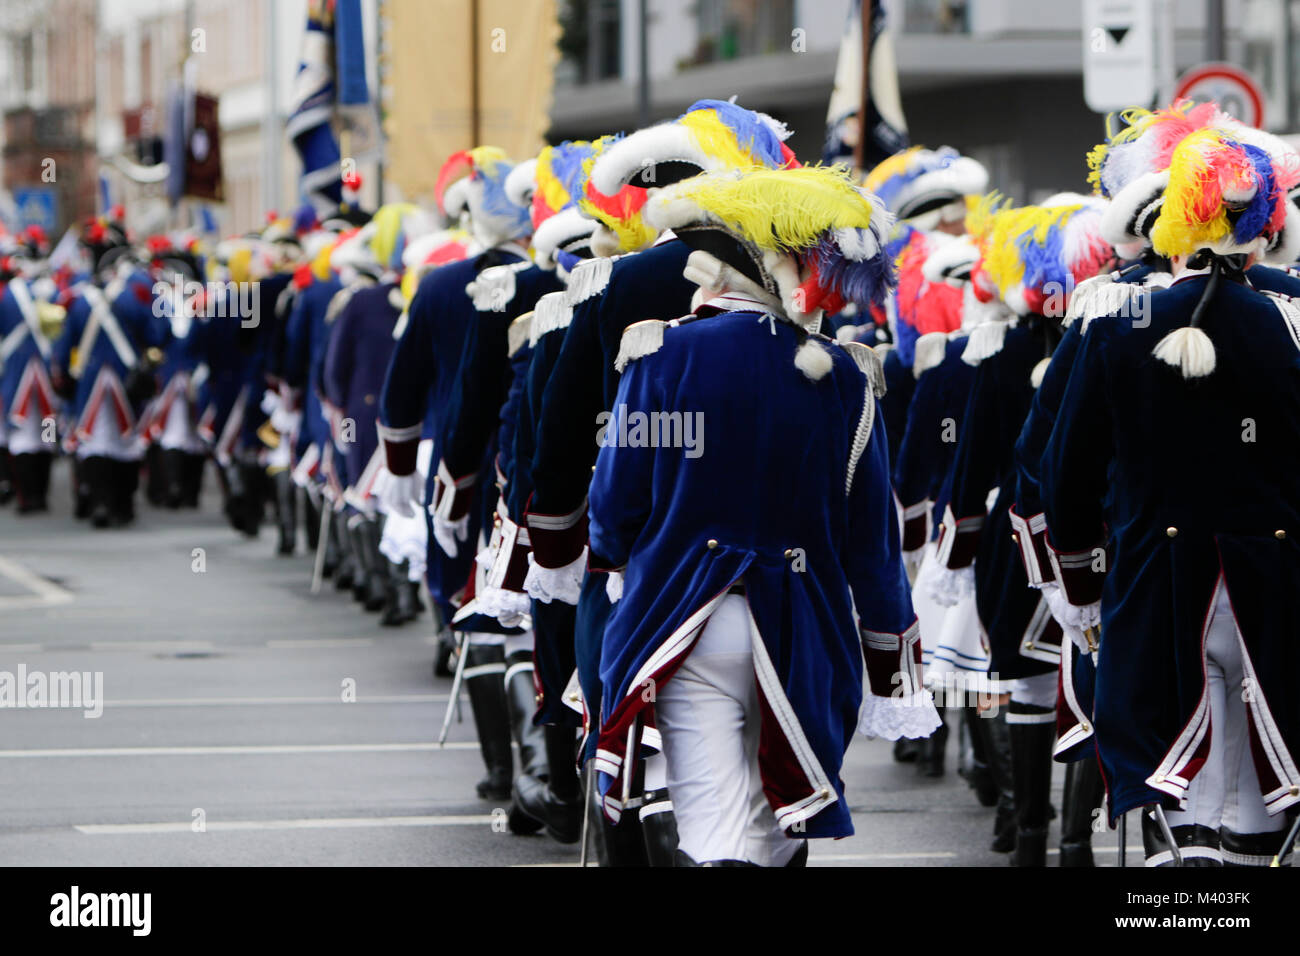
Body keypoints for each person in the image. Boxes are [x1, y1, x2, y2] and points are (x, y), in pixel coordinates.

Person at [588, 164, 938, 866]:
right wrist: (892, 664)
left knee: (712, 828)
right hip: (801, 624)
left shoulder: (660, 358)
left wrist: (619, 560)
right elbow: (870, 539)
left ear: (722, 277)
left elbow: (614, 509)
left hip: (681, 615)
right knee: (773, 832)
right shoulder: (842, 373)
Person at [1042, 126, 1300, 867]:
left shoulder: (1114, 323)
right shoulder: (1290, 322)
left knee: (1179, 806)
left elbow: (1068, 469)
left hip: (1156, 586)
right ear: (1261, 229)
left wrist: (1084, 586)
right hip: (1273, 589)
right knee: (1257, 801)